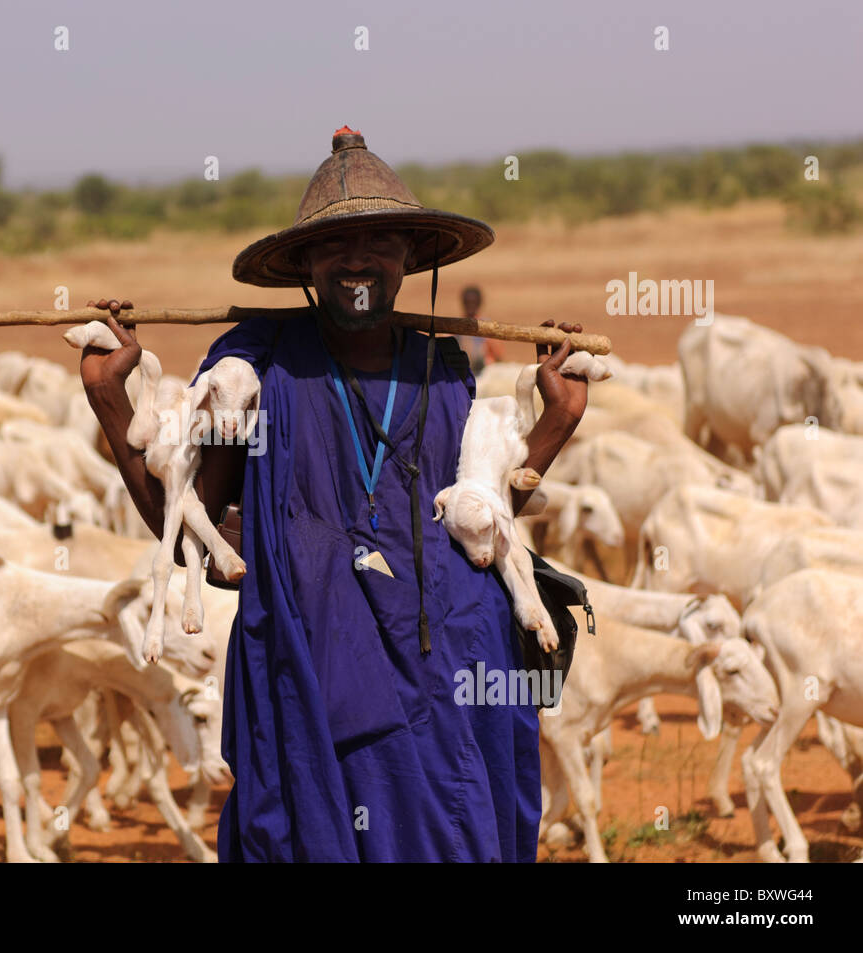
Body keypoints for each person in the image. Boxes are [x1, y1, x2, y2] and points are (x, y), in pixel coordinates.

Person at [79, 127, 588, 862]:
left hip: (449, 691)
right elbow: (190, 532)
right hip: (314, 685)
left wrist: (559, 420)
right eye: (336, 245)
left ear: (411, 258)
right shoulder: (254, 373)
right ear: (305, 266)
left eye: (381, 241)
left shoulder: (445, 373)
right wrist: (110, 402)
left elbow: (484, 522)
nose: (358, 258)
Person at [456, 285, 505, 375]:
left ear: (479, 303)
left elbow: (498, 355)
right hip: (462, 372)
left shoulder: (487, 327)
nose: (470, 306)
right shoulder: (455, 326)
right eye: (468, 303)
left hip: (484, 374)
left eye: (473, 302)